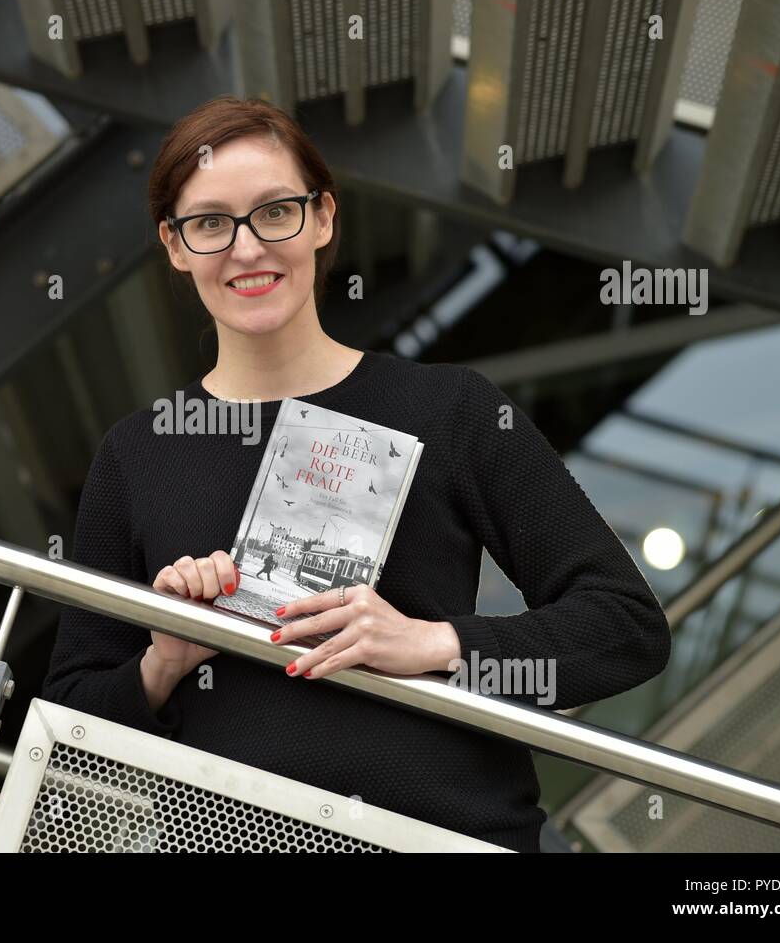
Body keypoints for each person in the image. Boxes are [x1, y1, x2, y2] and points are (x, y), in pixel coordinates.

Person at [42, 95, 670, 853]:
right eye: (210, 223)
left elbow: (626, 628)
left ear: (323, 219)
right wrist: (164, 659)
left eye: (274, 211)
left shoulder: (450, 409)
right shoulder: (136, 454)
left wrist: (438, 643)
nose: (246, 249)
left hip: (453, 837)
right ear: (175, 246)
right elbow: (69, 728)